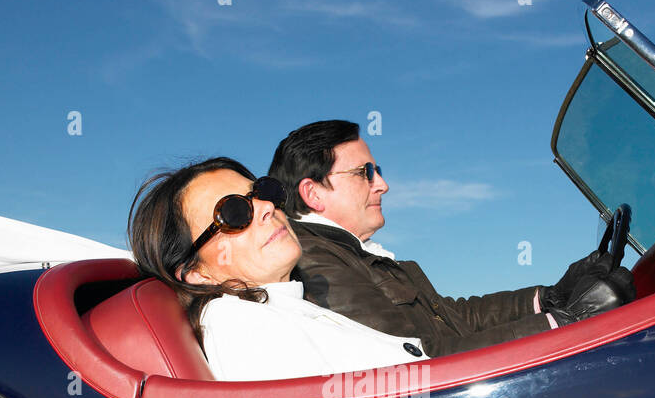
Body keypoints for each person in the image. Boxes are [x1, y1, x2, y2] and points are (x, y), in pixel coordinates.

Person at [268, 120, 635, 357]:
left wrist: (550, 296)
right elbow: (415, 357)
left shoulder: (357, 254)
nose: (383, 184)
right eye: (365, 172)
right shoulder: (313, 258)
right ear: (314, 193)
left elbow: (456, 316)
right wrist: (564, 323)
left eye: (377, 170)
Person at [128, 157, 429, 381]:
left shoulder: (286, 305)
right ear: (196, 273)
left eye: (264, 192)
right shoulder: (235, 321)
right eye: (234, 212)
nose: (266, 207)